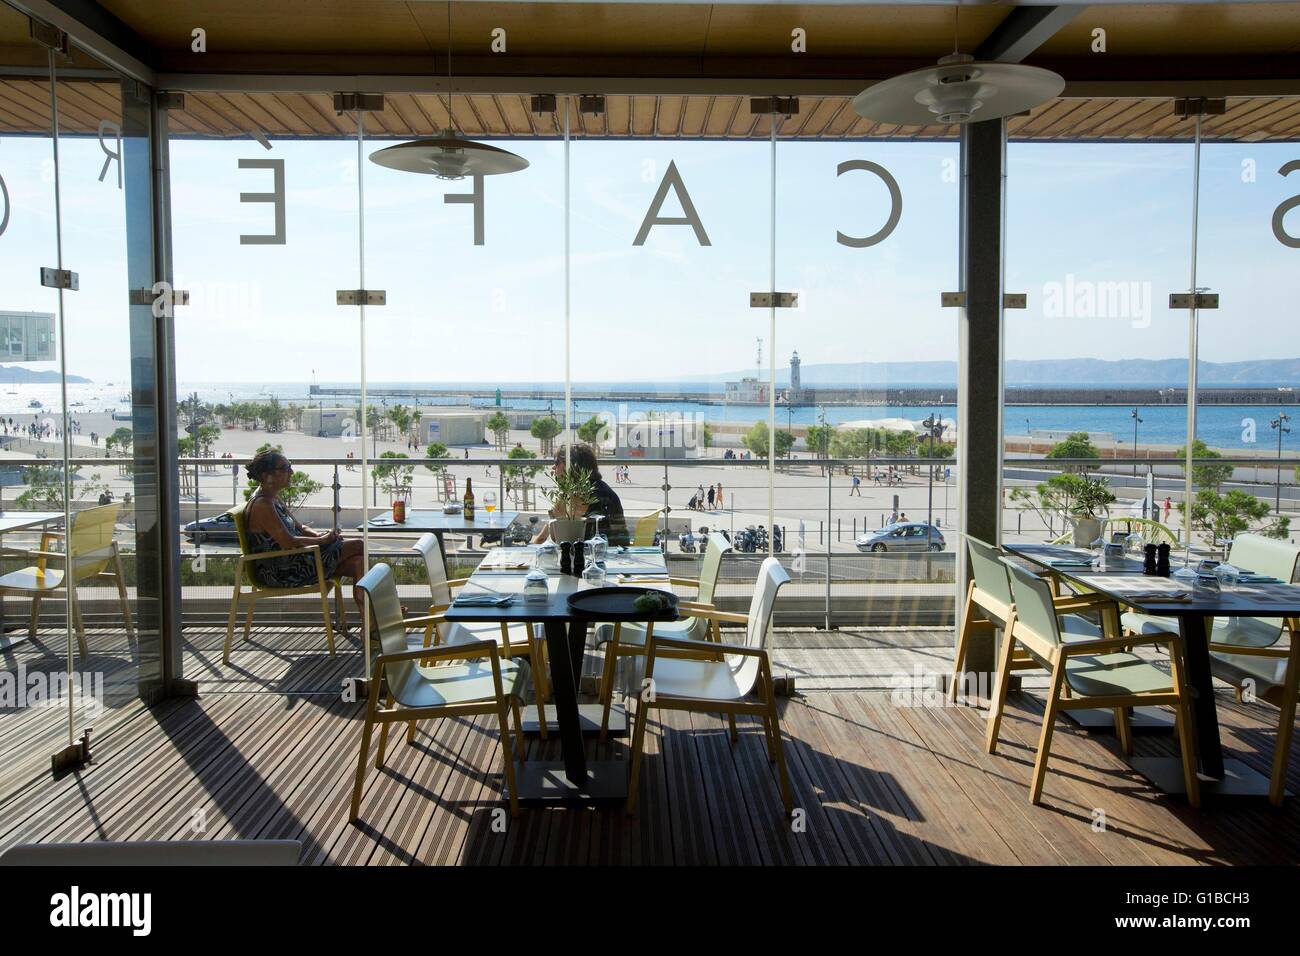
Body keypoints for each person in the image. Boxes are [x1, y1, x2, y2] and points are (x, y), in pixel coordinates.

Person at [244, 449, 367, 616]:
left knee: (359, 563)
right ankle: (378, 616)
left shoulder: (272, 498)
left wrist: (319, 536)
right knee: (359, 545)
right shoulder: (262, 505)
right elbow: (288, 542)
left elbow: (300, 528)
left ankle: (370, 623)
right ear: (267, 476)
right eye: (286, 468)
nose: (291, 472)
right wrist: (323, 541)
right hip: (282, 571)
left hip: (296, 560)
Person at [532, 443, 629, 546]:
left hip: (598, 554)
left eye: (556, 462)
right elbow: (543, 537)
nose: (553, 467)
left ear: (571, 466)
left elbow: (557, 537)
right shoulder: (601, 488)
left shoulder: (581, 496)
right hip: (614, 552)